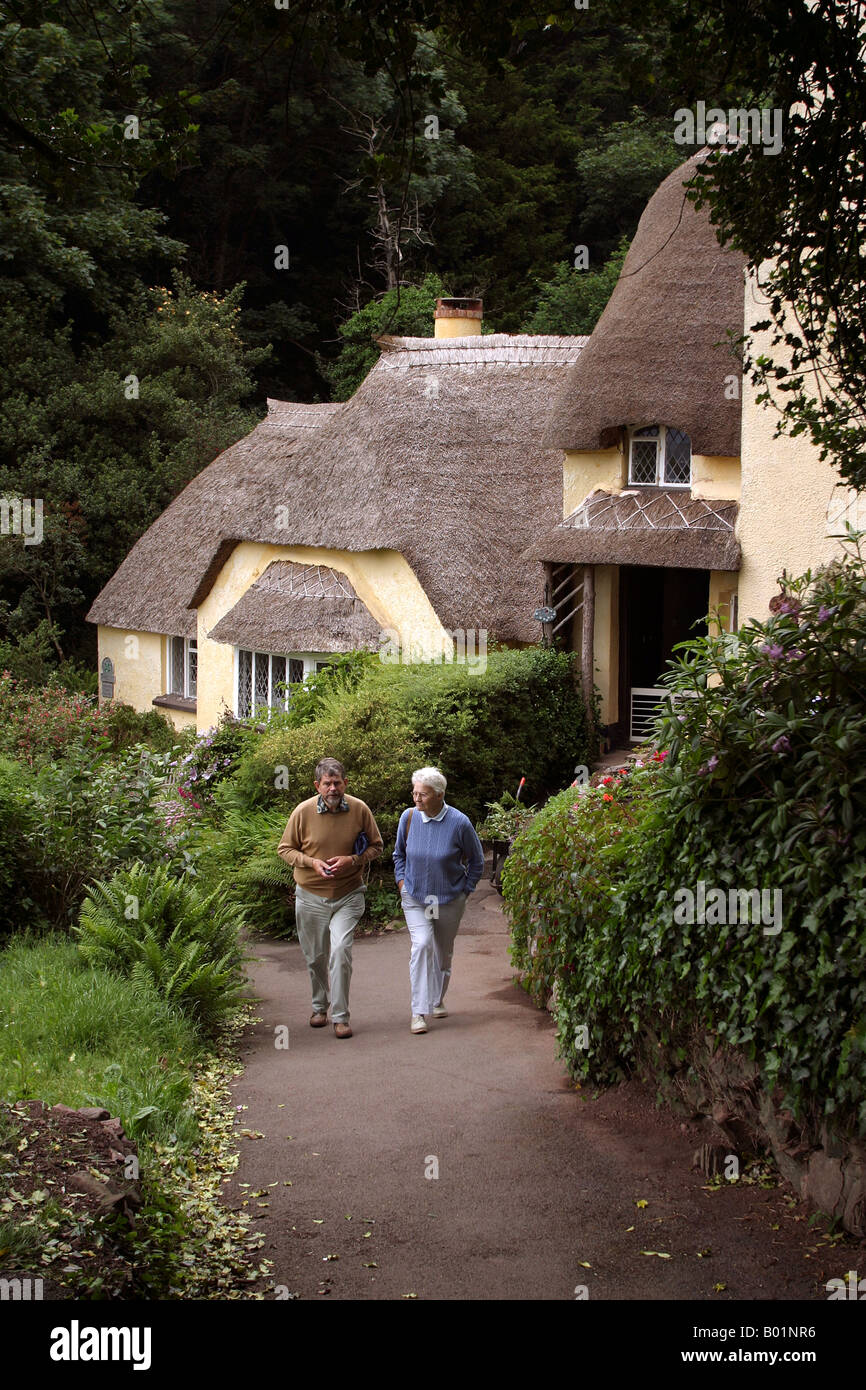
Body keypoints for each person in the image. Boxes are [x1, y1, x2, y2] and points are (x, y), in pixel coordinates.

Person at [277, 757, 383, 1039]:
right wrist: (311, 863)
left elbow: (377, 846)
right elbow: (285, 849)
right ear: (317, 785)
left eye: (338, 783)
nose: (333, 788)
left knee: (340, 951)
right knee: (315, 957)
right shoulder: (303, 812)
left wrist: (352, 859)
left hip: (348, 894)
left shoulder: (359, 809)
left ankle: (340, 1016)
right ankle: (318, 1007)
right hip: (310, 895)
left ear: (345, 783)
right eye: (327, 783)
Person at [393, 766, 485, 1034]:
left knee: (442, 954)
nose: (416, 799)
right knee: (421, 946)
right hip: (415, 897)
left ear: (439, 795)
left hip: (447, 899)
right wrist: (401, 884)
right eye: (414, 793)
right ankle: (418, 1012)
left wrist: (464, 891)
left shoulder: (459, 822)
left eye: (422, 794)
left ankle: (436, 999)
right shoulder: (408, 818)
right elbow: (399, 854)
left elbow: (477, 861)